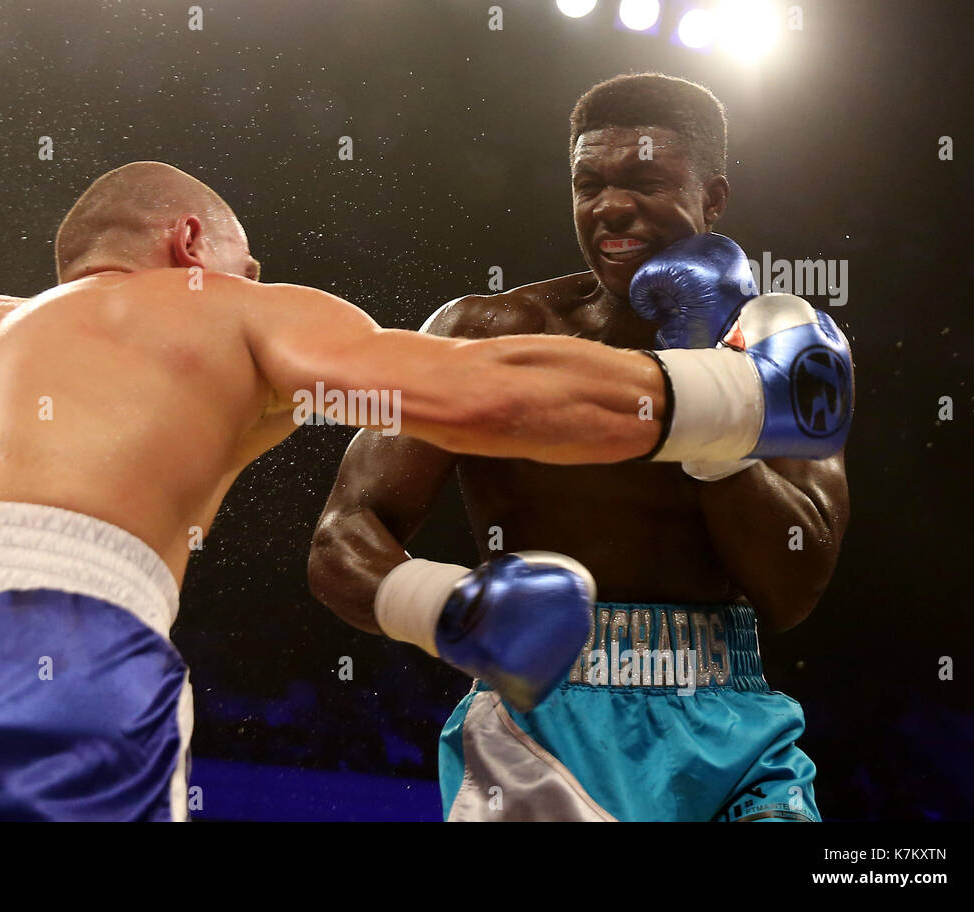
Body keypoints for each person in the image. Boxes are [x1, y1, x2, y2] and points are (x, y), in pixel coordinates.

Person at [0, 161, 847, 820]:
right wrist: (726, 399)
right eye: (248, 263)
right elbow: (480, 392)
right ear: (192, 243)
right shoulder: (216, 304)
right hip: (26, 669)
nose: (256, 281)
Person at [308, 74, 851, 822]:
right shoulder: (488, 335)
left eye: (645, 180)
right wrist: (447, 606)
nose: (611, 206)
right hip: (539, 732)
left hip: (736, 730)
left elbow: (796, 585)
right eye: (588, 183)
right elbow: (342, 537)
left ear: (714, 198)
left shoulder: (779, 345)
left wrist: (707, 395)